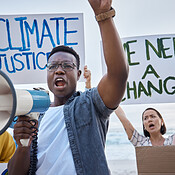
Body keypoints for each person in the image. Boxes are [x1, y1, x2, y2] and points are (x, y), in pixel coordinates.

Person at [8, 0, 129, 174]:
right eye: (52, 67)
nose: (59, 71)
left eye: (67, 66)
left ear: (78, 74)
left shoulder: (91, 104)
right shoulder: (32, 118)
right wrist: (23, 145)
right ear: (47, 74)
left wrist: (104, 17)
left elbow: (118, 75)